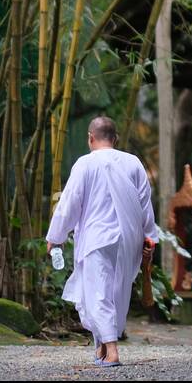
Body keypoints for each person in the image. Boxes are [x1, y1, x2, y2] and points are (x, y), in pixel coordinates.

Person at [46, 116, 159, 367]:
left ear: (90, 138)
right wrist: (149, 235)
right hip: (129, 238)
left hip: (97, 238)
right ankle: (101, 349)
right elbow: (145, 203)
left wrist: (55, 238)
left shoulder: (85, 164)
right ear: (115, 139)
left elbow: (69, 204)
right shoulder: (133, 162)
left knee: (97, 292)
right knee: (116, 291)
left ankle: (113, 350)